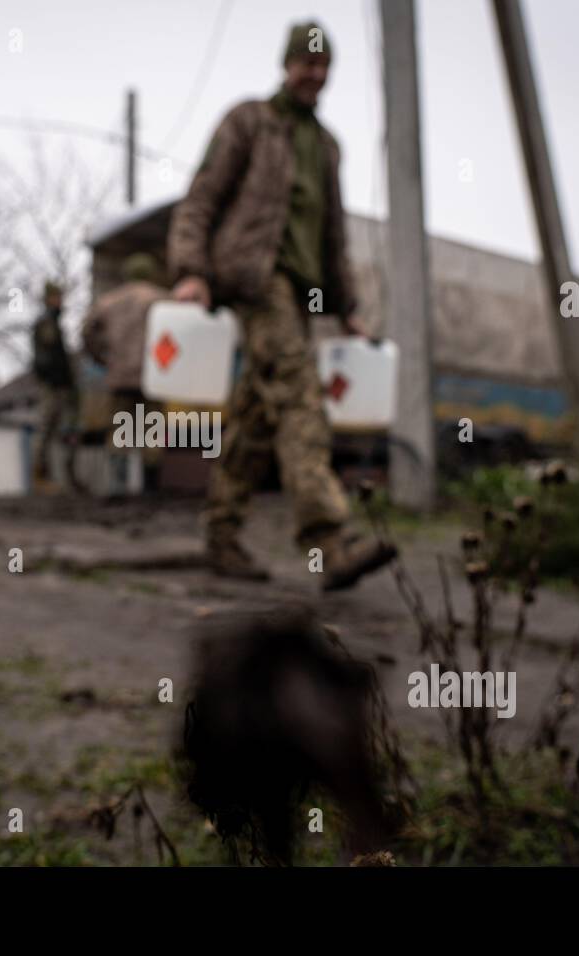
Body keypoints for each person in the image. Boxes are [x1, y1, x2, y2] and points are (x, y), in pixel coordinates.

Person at [166, 20, 395, 590]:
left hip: (302, 293)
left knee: (256, 416)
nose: (313, 75)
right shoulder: (250, 122)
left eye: (323, 67)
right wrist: (193, 270)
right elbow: (202, 196)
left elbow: (333, 236)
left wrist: (348, 306)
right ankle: (328, 542)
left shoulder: (326, 146)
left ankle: (221, 536)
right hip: (255, 280)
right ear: (286, 64)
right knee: (299, 398)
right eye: (305, 63)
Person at [81, 253, 171, 492]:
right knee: (152, 429)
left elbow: (87, 331)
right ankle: (151, 488)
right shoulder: (162, 299)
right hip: (154, 376)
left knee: (121, 429)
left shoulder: (109, 301)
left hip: (120, 375)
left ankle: (117, 486)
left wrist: (101, 358)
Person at [31, 280, 78, 492]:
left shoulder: (52, 322)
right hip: (51, 384)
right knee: (46, 427)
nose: (60, 302)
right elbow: (47, 357)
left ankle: (58, 477)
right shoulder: (46, 322)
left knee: (59, 429)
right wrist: (56, 378)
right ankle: (40, 476)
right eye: (57, 297)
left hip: (58, 384)